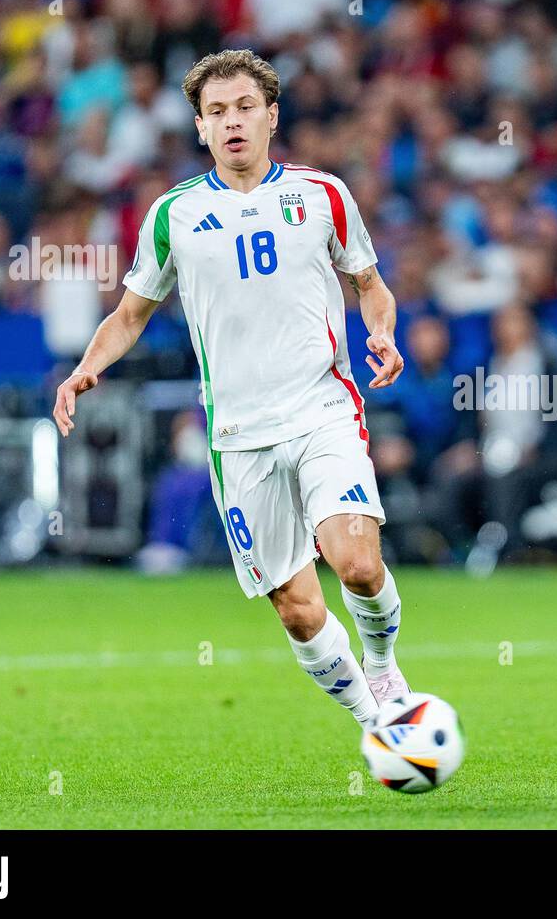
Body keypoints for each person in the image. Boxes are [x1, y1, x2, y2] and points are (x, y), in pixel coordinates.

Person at [53, 49, 410, 728]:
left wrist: (383, 334)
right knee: (298, 608)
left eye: (245, 107)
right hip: (238, 437)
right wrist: (86, 366)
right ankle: (380, 730)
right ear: (199, 129)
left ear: (272, 116)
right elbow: (130, 314)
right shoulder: (172, 216)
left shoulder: (323, 194)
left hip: (322, 408)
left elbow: (370, 284)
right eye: (216, 112)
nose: (232, 122)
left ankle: (384, 665)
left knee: (357, 563)